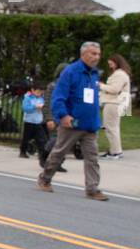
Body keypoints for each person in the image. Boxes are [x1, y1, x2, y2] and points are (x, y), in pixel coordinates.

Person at [38, 41, 107, 200]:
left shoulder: (94, 74)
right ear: (83, 54)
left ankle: (92, 188)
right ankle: (45, 178)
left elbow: (92, 99)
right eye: (93, 54)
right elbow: (58, 97)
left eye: (98, 54)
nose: (96, 57)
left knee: (92, 157)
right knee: (59, 152)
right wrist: (63, 115)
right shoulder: (71, 72)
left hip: (90, 125)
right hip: (72, 123)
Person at [100, 53, 131, 160]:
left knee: (111, 128)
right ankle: (114, 150)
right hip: (119, 102)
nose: (110, 66)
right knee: (113, 127)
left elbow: (114, 89)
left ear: (117, 62)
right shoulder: (122, 74)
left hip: (114, 103)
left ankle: (116, 152)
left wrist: (100, 85)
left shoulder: (120, 74)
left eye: (111, 63)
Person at [19, 83, 50, 166]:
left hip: (38, 122)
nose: (39, 94)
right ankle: (23, 151)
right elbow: (25, 108)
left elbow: (44, 107)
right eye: (38, 92)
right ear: (33, 90)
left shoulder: (41, 99)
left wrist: (42, 108)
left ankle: (41, 153)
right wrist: (35, 107)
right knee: (26, 138)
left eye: (41, 92)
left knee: (41, 139)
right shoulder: (28, 98)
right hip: (29, 121)